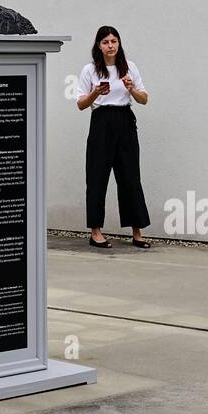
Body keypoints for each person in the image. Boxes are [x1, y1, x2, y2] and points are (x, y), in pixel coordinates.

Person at [76, 25, 151, 248]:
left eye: (114, 41)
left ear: (119, 44)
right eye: (106, 42)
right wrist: (95, 93)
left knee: (130, 176)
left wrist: (131, 88)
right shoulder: (90, 70)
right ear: (98, 46)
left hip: (125, 121)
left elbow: (144, 99)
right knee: (97, 176)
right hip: (101, 122)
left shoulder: (129, 68)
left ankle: (137, 231)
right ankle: (96, 231)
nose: (110, 45)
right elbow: (80, 104)